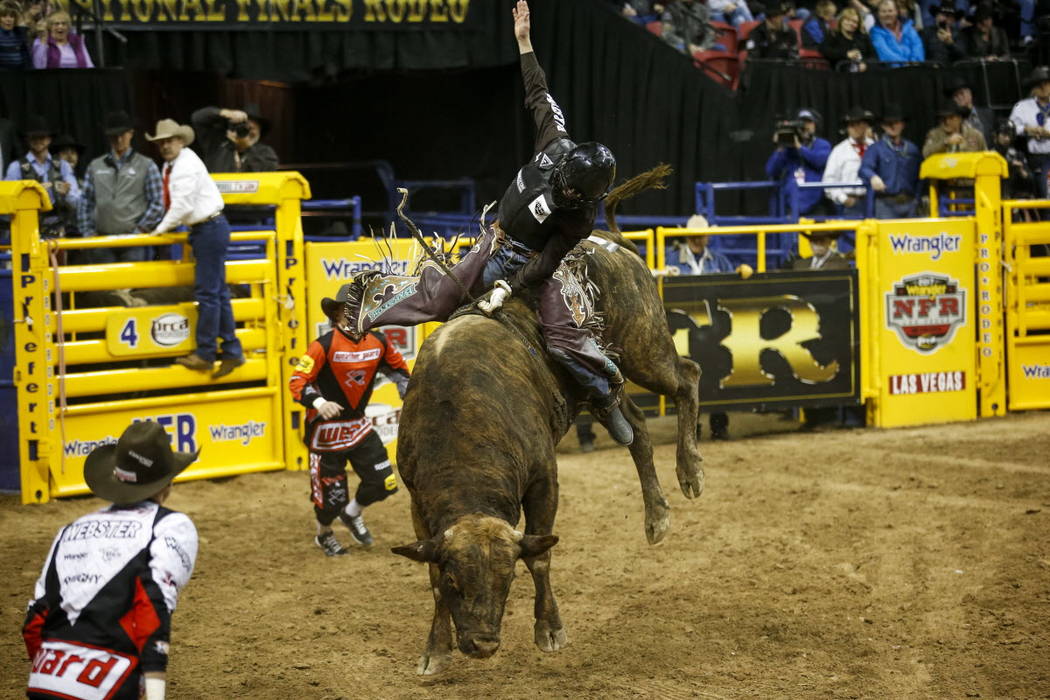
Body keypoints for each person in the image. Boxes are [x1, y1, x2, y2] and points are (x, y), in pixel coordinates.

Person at [342, 1, 634, 447]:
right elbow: (538, 91)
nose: (571, 197)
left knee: (562, 340)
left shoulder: (580, 217)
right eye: (569, 190)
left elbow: (549, 261)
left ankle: (604, 394)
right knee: (441, 297)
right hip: (495, 240)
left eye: (577, 196)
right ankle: (369, 306)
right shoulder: (555, 143)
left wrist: (509, 286)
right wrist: (524, 42)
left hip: (533, 264)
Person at [22, 420, 199, 700]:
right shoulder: (169, 526)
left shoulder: (69, 531)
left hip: (45, 681)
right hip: (107, 683)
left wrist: (56, 674)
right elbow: (153, 605)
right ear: (168, 482)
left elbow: (36, 617)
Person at [289, 283, 409, 555]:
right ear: (337, 313)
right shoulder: (323, 345)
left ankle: (352, 513)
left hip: (357, 427)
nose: (356, 313)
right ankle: (324, 533)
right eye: (350, 308)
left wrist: (407, 394)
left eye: (361, 308)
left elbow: (400, 371)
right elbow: (298, 381)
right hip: (326, 432)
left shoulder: (379, 341)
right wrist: (319, 403)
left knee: (384, 482)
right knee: (331, 497)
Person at [147, 118, 245, 379]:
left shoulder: (183, 166)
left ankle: (206, 352)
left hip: (208, 229)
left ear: (180, 140)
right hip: (209, 227)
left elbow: (182, 206)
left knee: (208, 294)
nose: (165, 146)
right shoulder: (177, 163)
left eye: (169, 141)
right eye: (161, 142)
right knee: (217, 293)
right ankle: (232, 350)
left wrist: (159, 229)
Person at [666, 214, 734, 440]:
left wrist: (742, 274)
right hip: (686, 331)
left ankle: (718, 425)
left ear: (707, 237)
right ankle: (692, 429)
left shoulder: (719, 260)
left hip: (712, 331)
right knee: (689, 378)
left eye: (700, 235)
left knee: (713, 374)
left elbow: (731, 285)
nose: (697, 239)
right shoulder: (673, 259)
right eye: (693, 236)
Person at [78, 111, 165, 264]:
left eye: (122, 135)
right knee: (105, 279)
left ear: (131, 134)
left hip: (134, 241)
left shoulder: (146, 165)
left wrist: (140, 230)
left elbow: (158, 202)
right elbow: (85, 201)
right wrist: (88, 232)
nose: (118, 140)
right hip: (102, 240)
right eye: (114, 136)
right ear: (108, 137)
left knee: (133, 279)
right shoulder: (95, 166)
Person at [5, 115, 80, 238]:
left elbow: (77, 202)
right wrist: (30, 193)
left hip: (59, 229)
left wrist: (67, 194)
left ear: (49, 139)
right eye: (34, 137)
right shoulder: (16, 167)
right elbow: (6, 202)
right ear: (28, 139)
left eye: (42, 137)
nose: (38, 140)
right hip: (27, 229)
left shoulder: (63, 166)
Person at [765, 108, 832, 217]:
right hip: (792, 206)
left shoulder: (822, 145)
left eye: (809, 122)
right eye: (802, 122)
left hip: (816, 206)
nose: (805, 126)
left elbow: (819, 161)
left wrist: (799, 147)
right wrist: (780, 148)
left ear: (815, 125)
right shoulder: (788, 148)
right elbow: (770, 171)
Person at [859, 105, 921, 218]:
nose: (893, 126)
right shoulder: (875, 148)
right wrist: (873, 177)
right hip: (886, 204)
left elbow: (920, 175)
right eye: (888, 123)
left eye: (896, 122)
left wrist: (919, 197)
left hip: (910, 203)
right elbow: (864, 168)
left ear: (902, 124)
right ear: (883, 126)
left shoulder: (912, 149)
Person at [190, 104, 278, 174]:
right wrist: (226, 113)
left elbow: (267, 171)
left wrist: (247, 148)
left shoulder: (266, 152)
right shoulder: (217, 145)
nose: (246, 132)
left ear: (260, 130)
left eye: (251, 128)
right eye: (244, 127)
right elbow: (197, 118)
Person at [822, 106, 875, 218]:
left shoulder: (875, 147)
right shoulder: (839, 150)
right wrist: (843, 198)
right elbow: (828, 180)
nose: (855, 128)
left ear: (866, 125)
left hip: (875, 201)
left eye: (858, 124)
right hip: (851, 203)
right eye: (851, 125)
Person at [1008, 66, 1050, 202]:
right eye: (1040, 85)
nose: (1044, 88)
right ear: (1034, 88)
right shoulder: (1022, 106)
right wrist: (1027, 130)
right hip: (1034, 158)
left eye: (1046, 83)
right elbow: (1009, 128)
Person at [922, 99, 987, 157]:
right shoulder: (934, 134)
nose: (947, 121)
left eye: (951, 117)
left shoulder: (975, 135)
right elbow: (925, 153)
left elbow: (985, 157)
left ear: (960, 118)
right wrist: (946, 142)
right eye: (943, 118)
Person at [820, 6, 877, 70]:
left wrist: (865, 64)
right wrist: (846, 54)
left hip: (864, 71)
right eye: (847, 20)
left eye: (855, 22)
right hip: (840, 72)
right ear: (841, 20)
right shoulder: (833, 35)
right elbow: (825, 50)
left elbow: (874, 56)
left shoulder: (863, 36)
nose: (851, 23)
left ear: (858, 24)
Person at [944, 76, 994, 147]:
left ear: (970, 94)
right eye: (955, 95)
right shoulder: (952, 120)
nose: (959, 97)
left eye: (961, 93)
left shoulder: (987, 114)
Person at [992, 118, 1035, 199]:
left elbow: (1031, 182)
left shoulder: (1018, 155)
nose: (1007, 139)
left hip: (1014, 197)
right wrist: (1008, 165)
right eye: (1004, 135)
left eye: (1010, 135)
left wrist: (1021, 171)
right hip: (994, 196)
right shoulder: (989, 156)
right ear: (996, 136)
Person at [0, 2, 31, 70]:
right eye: (4, 16)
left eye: (12, 16)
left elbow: (26, 58)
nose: (8, 19)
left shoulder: (20, 33)